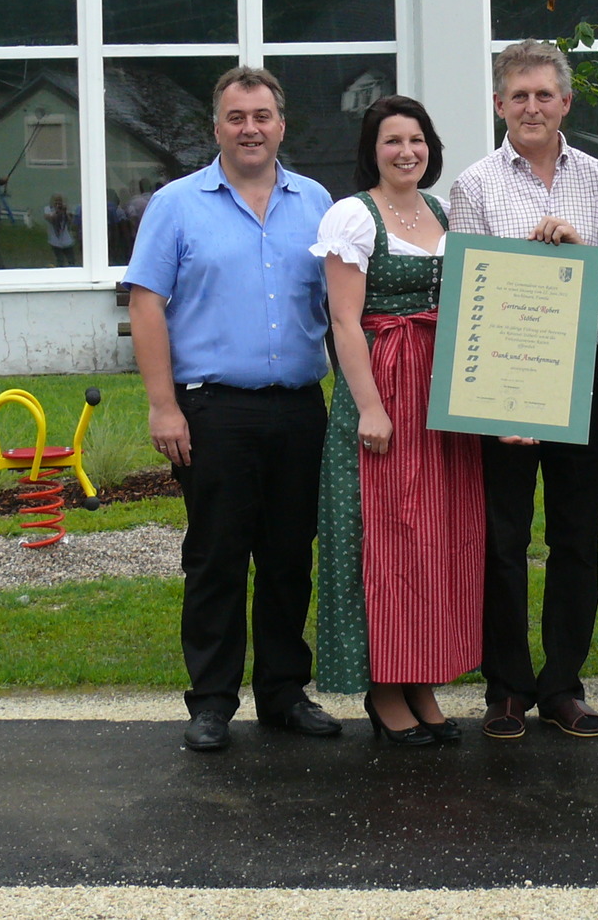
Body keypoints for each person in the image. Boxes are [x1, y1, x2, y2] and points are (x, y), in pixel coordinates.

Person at [124, 65, 340, 753]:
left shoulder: (319, 205)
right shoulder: (177, 205)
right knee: (216, 558)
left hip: (301, 410)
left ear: (282, 124)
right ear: (215, 126)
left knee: (287, 558)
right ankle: (212, 701)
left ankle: (282, 692)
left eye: (263, 116)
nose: (251, 128)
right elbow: (145, 304)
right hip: (213, 411)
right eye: (237, 117)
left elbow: (343, 310)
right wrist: (164, 407)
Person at [447, 40, 598, 741]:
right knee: (503, 541)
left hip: (585, 381)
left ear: (566, 103)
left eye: (545, 94)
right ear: (498, 104)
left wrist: (583, 253)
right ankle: (507, 687)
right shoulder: (475, 184)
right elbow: (465, 298)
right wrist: (498, 403)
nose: (531, 107)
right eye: (518, 95)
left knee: (577, 540)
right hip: (504, 389)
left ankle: (563, 686)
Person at [313, 96, 484, 748]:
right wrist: (372, 408)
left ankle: (420, 679)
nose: (406, 151)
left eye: (416, 139)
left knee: (430, 538)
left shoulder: (441, 212)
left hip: (437, 395)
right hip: (383, 389)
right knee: (381, 539)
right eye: (392, 141)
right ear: (372, 149)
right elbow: (344, 320)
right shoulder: (352, 216)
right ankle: (383, 687)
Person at [43, 194, 77, 267]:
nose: (58, 203)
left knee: (71, 260)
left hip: (67, 239)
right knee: (60, 260)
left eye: (59, 201)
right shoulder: (48, 209)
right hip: (55, 240)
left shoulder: (66, 209)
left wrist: (65, 212)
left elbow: (71, 221)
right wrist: (57, 211)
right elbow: (50, 219)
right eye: (56, 201)